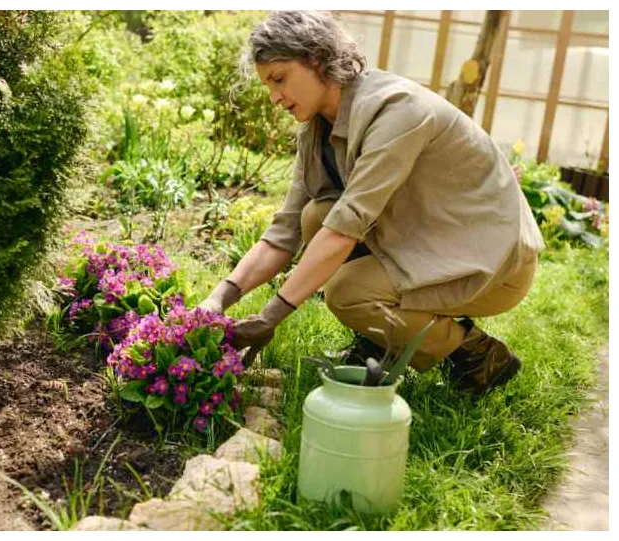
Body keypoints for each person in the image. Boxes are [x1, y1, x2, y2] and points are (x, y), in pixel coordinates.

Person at [198, 10, 544, 397]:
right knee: (316, 217)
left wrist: (270, 316)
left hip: (491, 263)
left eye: (279, 78)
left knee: (347, 292)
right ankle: (378, 340)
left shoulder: (396, 111)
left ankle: (477, 354)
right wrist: (218, 299)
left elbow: (346, 228)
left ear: (316, 57)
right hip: (431, 240)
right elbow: (287, 230)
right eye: (268, 85)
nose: (275, 97)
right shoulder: (317, 131)